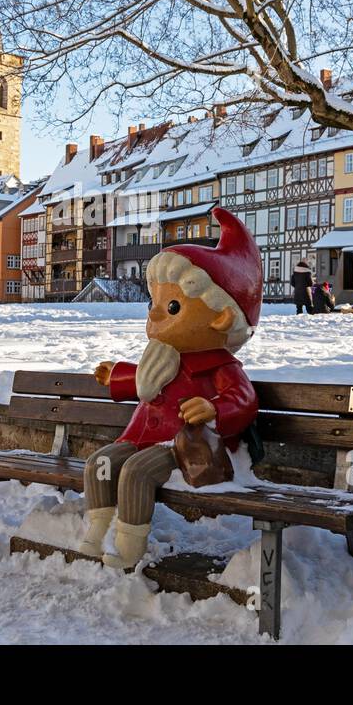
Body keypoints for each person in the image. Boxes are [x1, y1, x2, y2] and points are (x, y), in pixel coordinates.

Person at [77, 208, 263, 569]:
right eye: (155, 304)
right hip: (144, 435)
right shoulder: (164, 356)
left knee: (136, 471)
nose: (156, 314)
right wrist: (115, 375)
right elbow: (147, 382)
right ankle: (96, 532)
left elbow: (244, 400)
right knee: (100, 462)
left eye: (172, 306)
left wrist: (215, 410)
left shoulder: (221, 367)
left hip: (188, 447)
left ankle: (129, 546)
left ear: (221, 317)